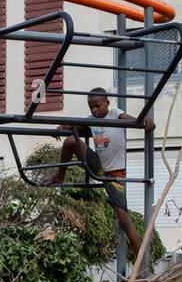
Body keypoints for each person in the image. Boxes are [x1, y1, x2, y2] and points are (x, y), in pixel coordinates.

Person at [46, 87, 152, 258]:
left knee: (124, 221)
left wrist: (144, 122)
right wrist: (60, 128)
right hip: (100, 167)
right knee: (70, 141)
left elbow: (132, 120)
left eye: (97, 106)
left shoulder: (114, 114)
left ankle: (142, 261)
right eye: (91, 107)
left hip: (115, 175)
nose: (94, 110)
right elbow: (74, 125)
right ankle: (59, 176)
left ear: (107, 103)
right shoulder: (91, 120)